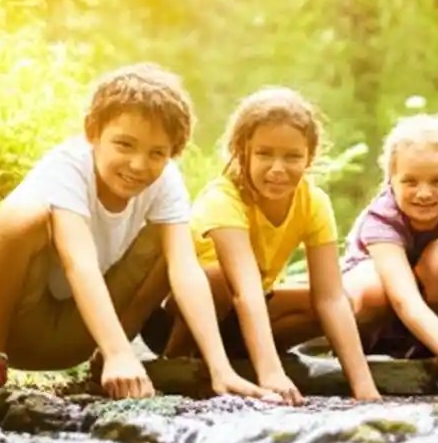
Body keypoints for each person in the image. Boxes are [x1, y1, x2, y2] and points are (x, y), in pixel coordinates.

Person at [0, 63, 272, 402]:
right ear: (93, 133)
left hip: (79, 336)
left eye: (157, 153)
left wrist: (219, 367)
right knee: (20, 216)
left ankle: (111, 364)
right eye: (124, 145)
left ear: (172, 154)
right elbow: (80, 263)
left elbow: (184, 269)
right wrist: (121, 351)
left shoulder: (166, 182)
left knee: (173, 240)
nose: (138, 164)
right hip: (15, 326)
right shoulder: (67, 166)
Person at [150, 86, 381, 402]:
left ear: (309, 157)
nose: (277, 169)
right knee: (218, 277)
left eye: (292, 156)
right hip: (189, 314)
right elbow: (244, 290)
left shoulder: (314, 202)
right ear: (242, 150)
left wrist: (364, 387)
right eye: (264, 153)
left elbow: (329, 297)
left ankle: (245, 356)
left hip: (251, 312)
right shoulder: (223, 199)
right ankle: (178, 361)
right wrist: (271, 373)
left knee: (341, 302)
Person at [340, 114, 438, 390]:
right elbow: (403, 299)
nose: (424, 193)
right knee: (374, 287)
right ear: (390, 181)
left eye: (437, 181)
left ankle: (424, 354)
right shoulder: (382, 218)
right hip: (377, 312)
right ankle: (353, 355)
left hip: (424, 321)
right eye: (410, 182)